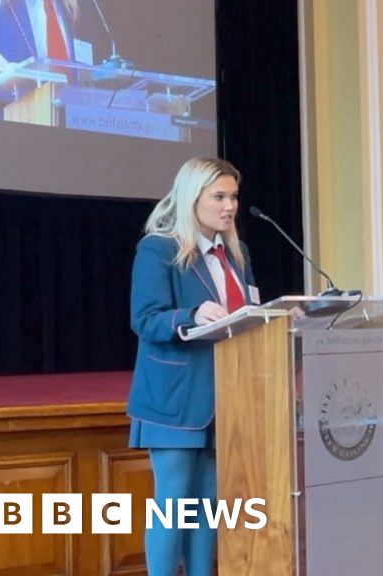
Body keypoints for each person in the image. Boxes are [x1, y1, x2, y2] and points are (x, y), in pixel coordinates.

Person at [127, 157, 255, 576]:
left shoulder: (236, 254)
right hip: (175, 399)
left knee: (207, 504)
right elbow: (145, 319)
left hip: (226, 394)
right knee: (174, 503)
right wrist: (190, 315)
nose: (229, 206)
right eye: (219, 196)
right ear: (191, 198)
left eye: (233, 196)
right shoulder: (159, 248)